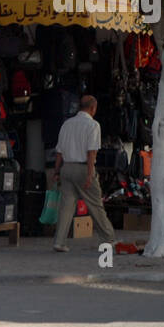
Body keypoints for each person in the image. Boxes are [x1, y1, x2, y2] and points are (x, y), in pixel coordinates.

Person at [51, 95, 116, 252]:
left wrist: (56, 171)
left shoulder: (67, 124)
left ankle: (59, 242)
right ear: (93, 108)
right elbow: (91, 152)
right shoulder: (93, 125)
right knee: (95, 205)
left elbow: (59, 151)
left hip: (66, 168)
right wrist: (89, 174)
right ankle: (109, 239)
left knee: (66, 207)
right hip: (82, 168)